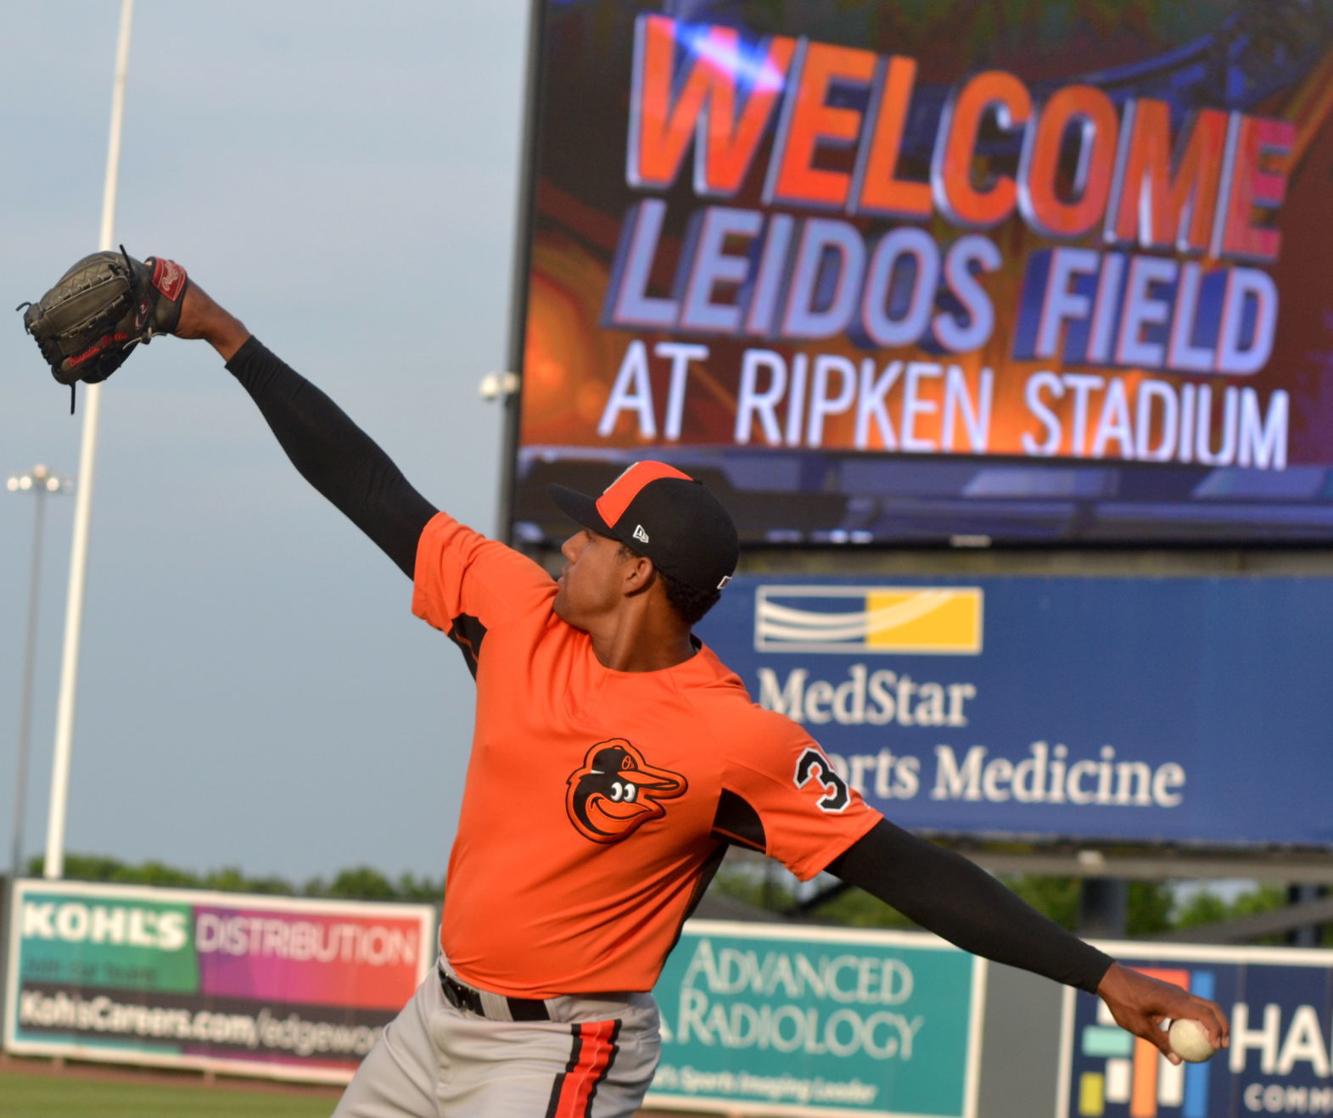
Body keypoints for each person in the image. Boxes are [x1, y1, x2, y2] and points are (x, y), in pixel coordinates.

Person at [165, 276, 1227, 1117]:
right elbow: (366, 483)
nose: (565, 540)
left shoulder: (731, 738)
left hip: (558, 1044)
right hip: (429, 1021)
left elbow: (904, 867)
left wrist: (1097, 974)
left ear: (635, 572)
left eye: (589, 530)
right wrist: (220, 329)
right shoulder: (516, 612)